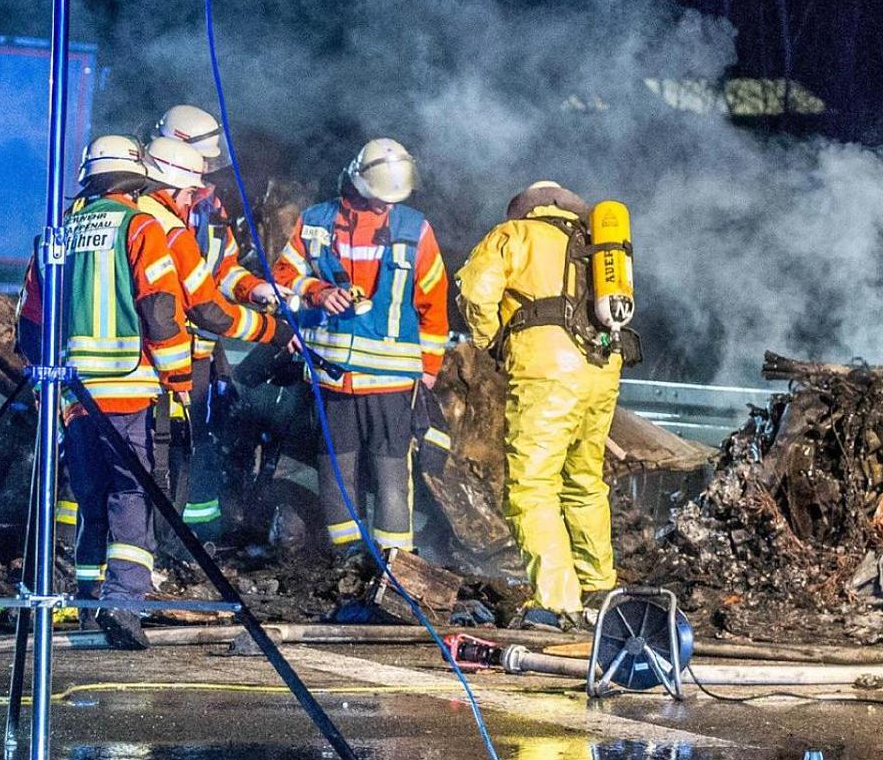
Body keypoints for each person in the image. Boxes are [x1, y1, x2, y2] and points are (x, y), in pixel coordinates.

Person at [17, 133, 211, 649]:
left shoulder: (56, 233)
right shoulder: (140, 226)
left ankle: (84, 604)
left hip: (75, 398)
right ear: (135, 180)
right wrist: (178, 381)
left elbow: (30, 323)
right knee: (133, 496)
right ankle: (123, 605)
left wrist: (47, 385)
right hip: (129, 393)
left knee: (90, 501)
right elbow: (160, 309)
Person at [458, 180, 633, 630]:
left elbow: (477, 290)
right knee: (584, 480)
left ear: (526, 208)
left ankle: (557, 601)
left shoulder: (514, 235)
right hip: (601, 369)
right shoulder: (597, 245)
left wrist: (489, 339)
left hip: (546, 370)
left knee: (532, 486)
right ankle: (600, 586)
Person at [274, 138, 450, 558]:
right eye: (378, 200)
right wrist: (316, 291)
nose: (384, 209)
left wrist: (428, 369)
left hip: (390, 384)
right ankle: (347, 560)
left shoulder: (415, 228)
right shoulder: (315, 221)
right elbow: (282, 276)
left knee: (392, 478)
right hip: (332, 378)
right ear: (359, 183)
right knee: (336, 472)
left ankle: (394, 565)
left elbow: (433, 299)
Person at [134, 133, 284, 539]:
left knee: (193, 443)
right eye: (199, 175)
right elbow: (204, 305)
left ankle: (191, 540)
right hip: (159, 353)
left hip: (193, 352)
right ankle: (161, 540)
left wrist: (254, 289)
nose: (208, 186)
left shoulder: (209, 211)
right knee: (159, 446)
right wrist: (272, 331)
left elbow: (225, 270)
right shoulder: (158, 220)